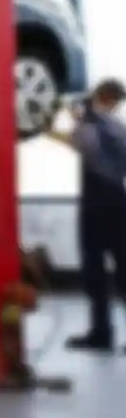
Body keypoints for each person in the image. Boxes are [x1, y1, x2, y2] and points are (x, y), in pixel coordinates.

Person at [45, 78, 126, 352]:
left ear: (101, 96)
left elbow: (83, 146)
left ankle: (101, 334)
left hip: (96, 205)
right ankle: (101, 333)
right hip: (118, 203)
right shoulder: (118, 128)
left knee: (95, 272)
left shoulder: (93, 125)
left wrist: (48, 129)